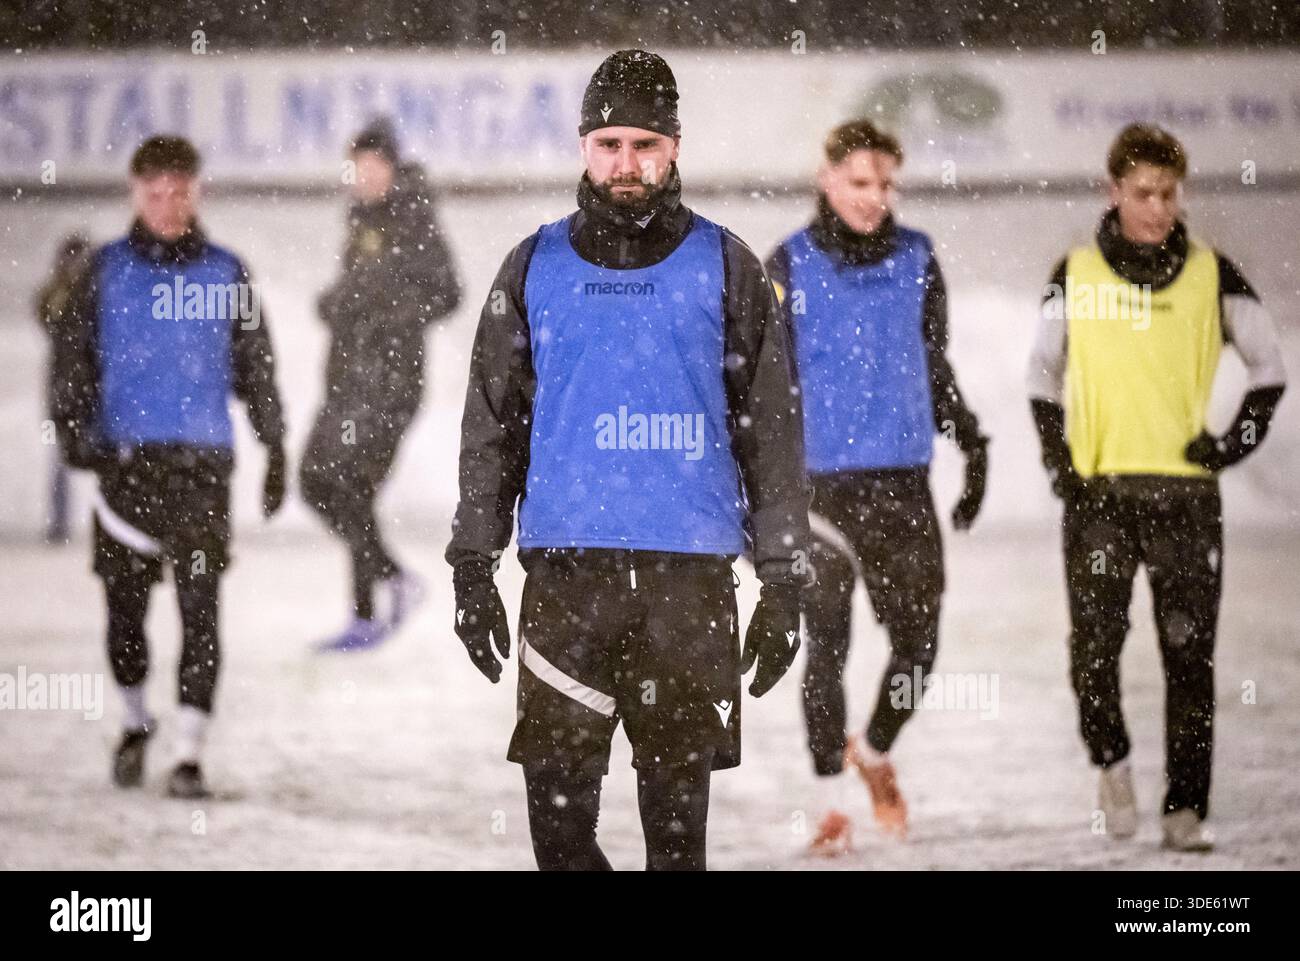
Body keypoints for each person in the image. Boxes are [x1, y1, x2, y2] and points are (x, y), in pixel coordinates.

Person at [447, 50, 810, 870]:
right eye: (609, 142)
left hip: (689, 592)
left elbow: (773, 436)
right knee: (561, 840)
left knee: (676, 846)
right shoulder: (532, 265)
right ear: (583, 147)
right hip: (568, 587)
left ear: (674, 147)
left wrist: (784, 579)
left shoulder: (727, 264)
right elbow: (492, 428)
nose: (627, 163)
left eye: (645, 143)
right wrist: (474, 565)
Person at [1027, 123, 1287, 851]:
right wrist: (1060, 463)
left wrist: (1229, 445)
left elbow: (1270, 371)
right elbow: (1041, 375)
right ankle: (1110, 762)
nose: (1158, 207)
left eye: (1169, 193)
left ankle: (1184, 810)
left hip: (1186, 502)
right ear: (1114, 191)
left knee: (1189, 659)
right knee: (1093, 653)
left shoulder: (1213, 272)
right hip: (1099, 498)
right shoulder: (1074, 271)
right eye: (1143, 193)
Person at [766, 119, 989, 851]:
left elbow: (934, 362)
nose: (874, 197)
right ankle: (831, 804)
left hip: (902, 485)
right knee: (825, 645)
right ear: (827, 178)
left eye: (886, 183)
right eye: (861, 182)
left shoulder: (919, 259)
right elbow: (764, 387)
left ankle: (876, 748)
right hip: (820, 494)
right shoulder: (787, 266)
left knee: (919, 651)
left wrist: (972, 442)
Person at [52, 135, 287, 798]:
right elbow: (72, 361)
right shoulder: (103, 271)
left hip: (202, 469)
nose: (167, 204)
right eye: (154, 192)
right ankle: (133, 721)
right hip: (125, 469)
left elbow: (257, 366)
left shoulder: (227, 272)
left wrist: (277, 445)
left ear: (196, 190)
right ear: (135, 192)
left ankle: (187, 753)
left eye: (179, 190)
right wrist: (73, 431)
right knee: (125, 620)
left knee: (200, 612)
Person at [301, 118, 462, 652]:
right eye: (356, 167)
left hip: (388, 383)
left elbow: (447, 292)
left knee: (328, 479)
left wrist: (384, 310)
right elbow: (359, 289)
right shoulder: (360, 218)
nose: (363, 177)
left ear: (391, 168)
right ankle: (370, 610)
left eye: (372, 166)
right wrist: (337, 301)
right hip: (349, 381)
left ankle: (391, 584)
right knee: (337, 487)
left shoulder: (412, 217)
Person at [34, 232, 92, 544]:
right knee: (61, 458)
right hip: (65, 387)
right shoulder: (58, 295)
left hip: (87, 386)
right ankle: (60, 523)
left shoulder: (95, 291)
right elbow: (46, 316)